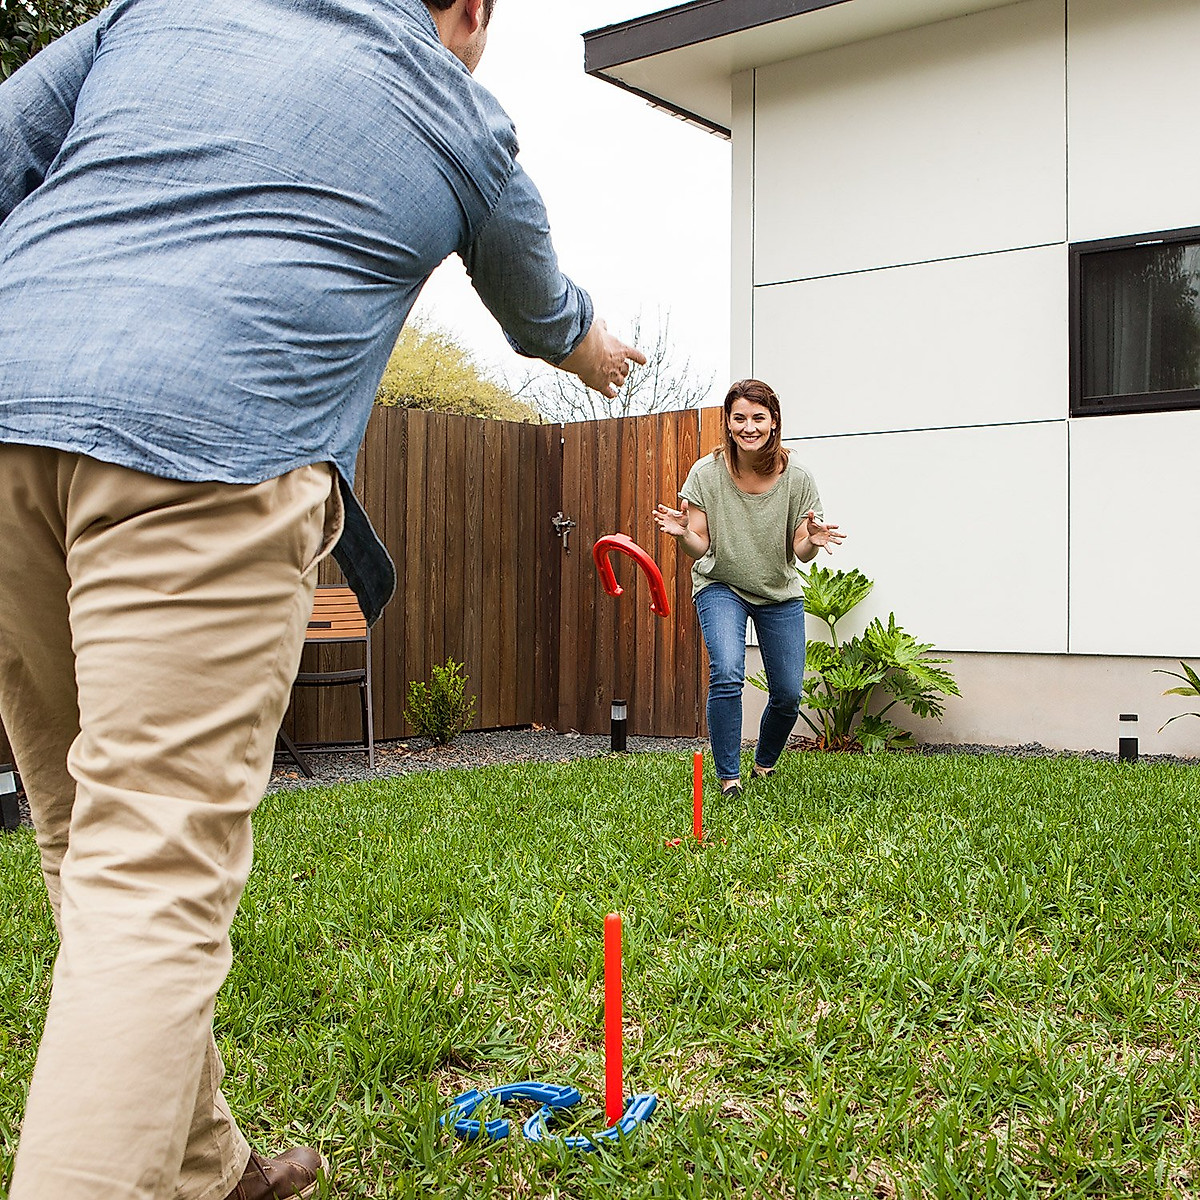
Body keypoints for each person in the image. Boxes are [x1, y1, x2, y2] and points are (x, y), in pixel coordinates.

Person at [0, 1, 646, 1197]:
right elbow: (539, 305)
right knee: (148, 874)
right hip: (208, 447)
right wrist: (593, 350)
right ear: (468, 12)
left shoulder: (163, 11)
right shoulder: (460, 115)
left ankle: (207, 1168)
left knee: (89, 835)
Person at [652, 379, 845, 797]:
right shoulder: (706, 473)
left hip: (778, 591)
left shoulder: (798, 478)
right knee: (726, 672)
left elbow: (801, 549)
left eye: (758, 418)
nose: (749, 427)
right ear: (728, 422)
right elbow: (699, 545)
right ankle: (729, 779)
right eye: (739, 418)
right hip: (721, 582)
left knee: (789, 693)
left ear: (774, 422)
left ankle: (764, 765)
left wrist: (812, 539)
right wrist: (683, 533)